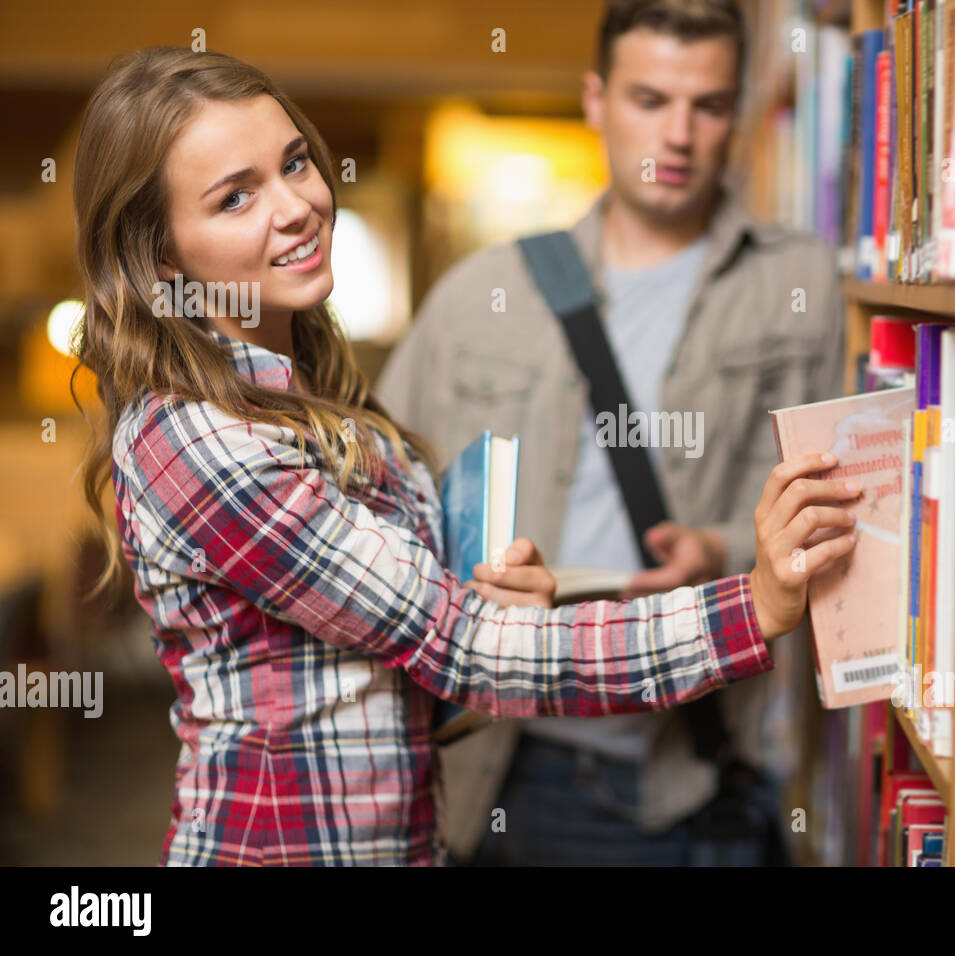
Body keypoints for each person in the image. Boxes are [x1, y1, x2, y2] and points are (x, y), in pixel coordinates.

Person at [70, 45, 860, 867]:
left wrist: (499, 605)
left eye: (294, 163)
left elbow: (409, 656)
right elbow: (459, 646)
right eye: (236, 198)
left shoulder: (308, 390)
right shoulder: (196, 439)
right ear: (161, 255)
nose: (297, 206)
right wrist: (754, 608)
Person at [376, 0, 844, 865]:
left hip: (697, 765)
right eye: (648, 99)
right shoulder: (486, 293)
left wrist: (725, 547)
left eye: (708, 106)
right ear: (595, 100)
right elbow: (379, 507)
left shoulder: (803, 283)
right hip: (515, 763)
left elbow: (849, 496)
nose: (678, 135)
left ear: (737, 112)